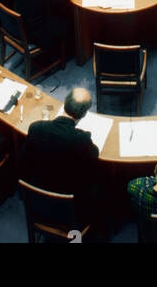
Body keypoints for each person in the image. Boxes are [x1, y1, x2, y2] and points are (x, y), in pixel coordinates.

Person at [21, 88, 99, 216]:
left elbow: (24, 159)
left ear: (65, 103)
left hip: (37, 199)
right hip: (69, 207)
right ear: (84, 114)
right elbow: (94, 155)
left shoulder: (36, 128)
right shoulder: (81, 140)